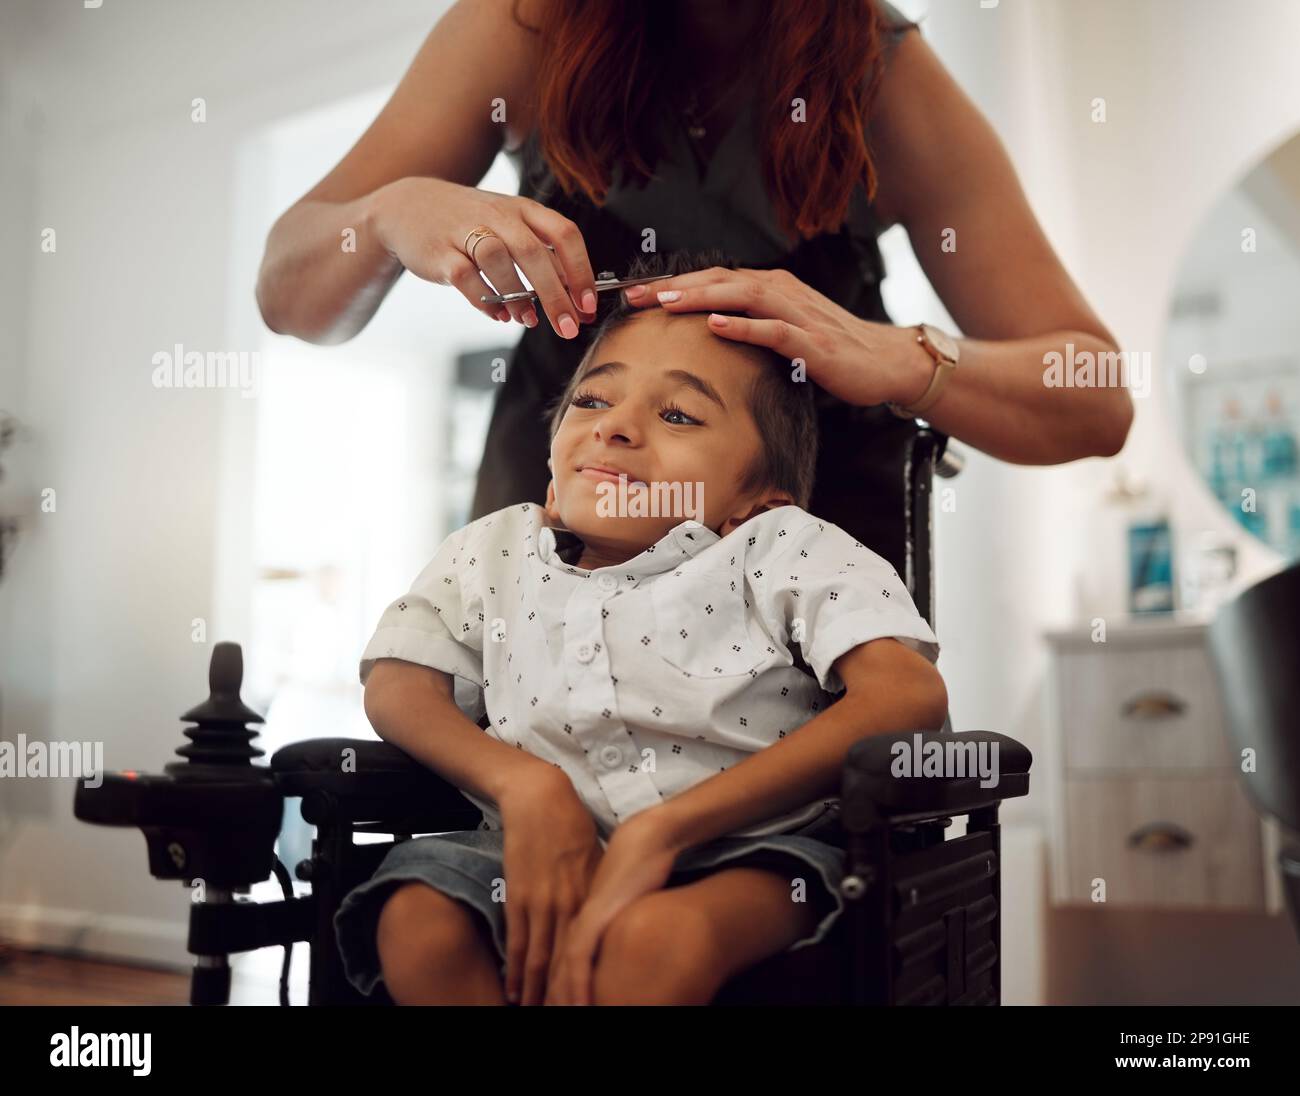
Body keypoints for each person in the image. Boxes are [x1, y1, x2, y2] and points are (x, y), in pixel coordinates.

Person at [254, 0, 1134, 569]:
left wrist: (903, 360)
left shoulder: (884, 75)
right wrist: (385, 215)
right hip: (552, 590)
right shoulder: (521, 30)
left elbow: (1096, 399)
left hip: (800, 625)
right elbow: (288, 297)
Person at [332, 248, 949, 1005]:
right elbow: (398, 682)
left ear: (754, 498)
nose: (615, 429)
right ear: (553, 468)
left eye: (679, 414)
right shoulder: (492, 552)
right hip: (528, 848)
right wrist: (521, 784)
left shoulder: (781, 548)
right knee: (417, 921)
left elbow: (907, 700)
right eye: (592, 403)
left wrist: (666, 830)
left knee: (658, 941)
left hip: (752, 852)